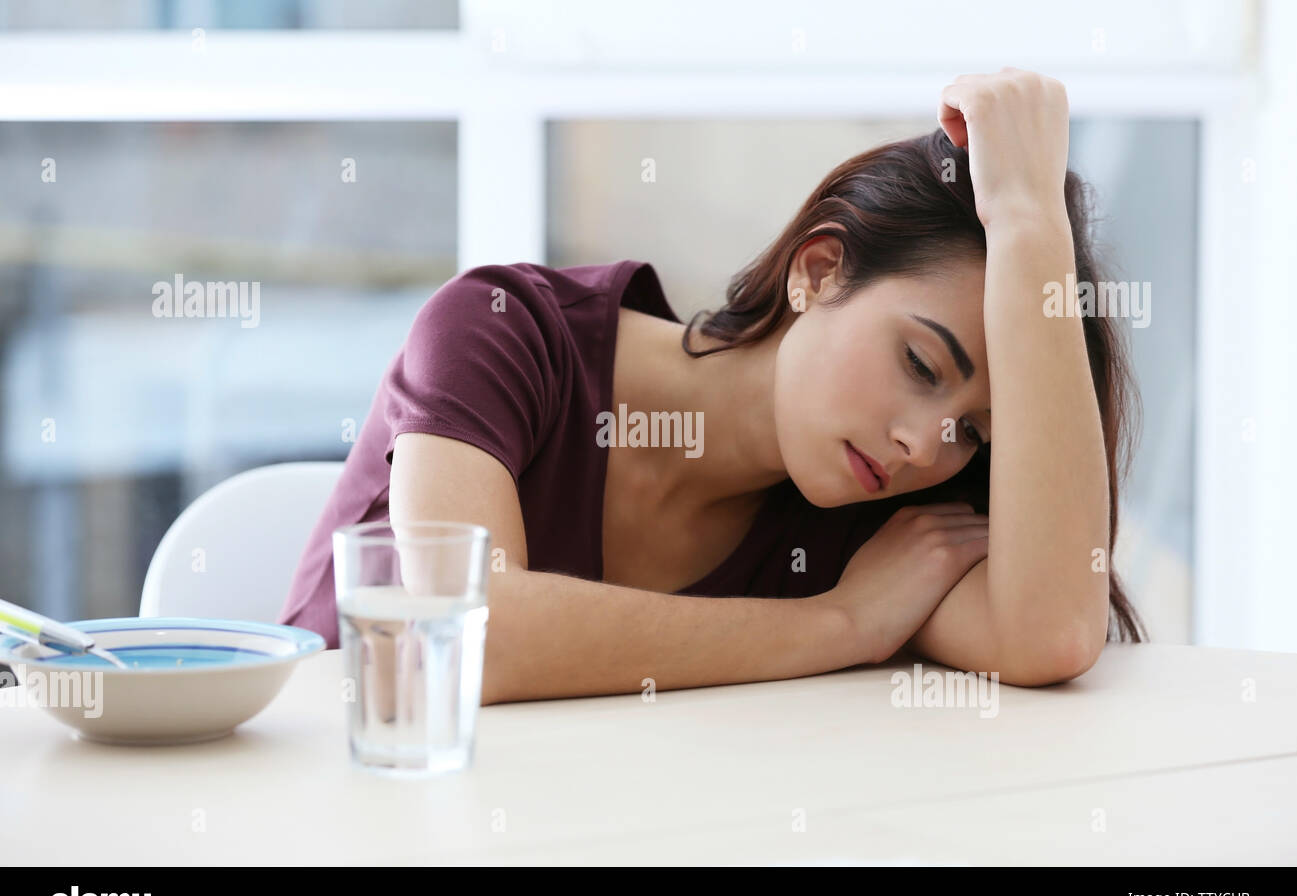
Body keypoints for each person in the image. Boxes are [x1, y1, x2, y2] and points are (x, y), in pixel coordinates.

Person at [279, 67, 1146, 703]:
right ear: (818, 269)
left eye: (974, 434)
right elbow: (462, 637)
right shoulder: (503, 328)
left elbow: (1051, 632)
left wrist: (1033, 227)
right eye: (921, 365)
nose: (929, 444)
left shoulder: (864, 529)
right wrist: (838, 627)